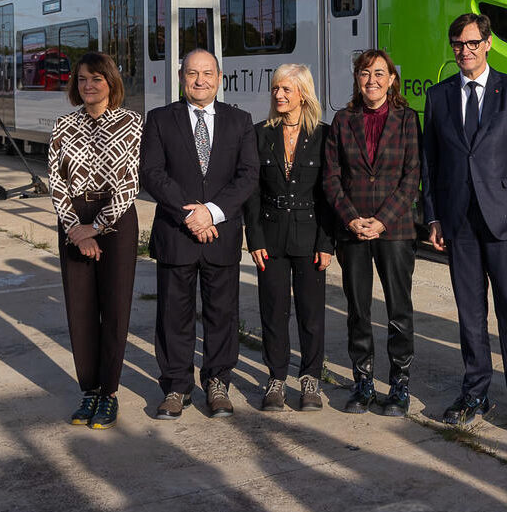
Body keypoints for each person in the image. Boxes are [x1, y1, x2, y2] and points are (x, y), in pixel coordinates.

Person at [422, 12, 507, 432]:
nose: (464, 51)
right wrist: (433, 216)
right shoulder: (438, 97)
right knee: (469, 313)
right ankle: (475, 392)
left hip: (506, 218)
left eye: (472, 43)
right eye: (457, 44)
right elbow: (429, 164)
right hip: (458, 222)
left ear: (487, 44)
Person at [140, 49, 258, 419]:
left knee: (222, 313)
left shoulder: (240, 121)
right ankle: (176, 386)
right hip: (177, 232)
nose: (200, 80)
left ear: (219, 78)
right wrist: (189, 214)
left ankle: (218, 382)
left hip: (221, 233)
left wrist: (212, 213)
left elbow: (248, 175)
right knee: (173, 314)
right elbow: (153, 172)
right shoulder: (160, 119)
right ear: (181, 78)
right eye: (192, 73)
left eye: (207, 73)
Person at [323, 48, 421, 417]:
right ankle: (362, 381)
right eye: (365, 74)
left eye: (380, 73)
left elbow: (412, 177)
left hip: (394, 230)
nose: (372, 81)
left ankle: (399, 384)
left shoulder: (407, 119)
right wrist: (350, 219)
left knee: (399, 310)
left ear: (392, 79)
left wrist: (382, 220)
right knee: (358, 310)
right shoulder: (342, 120)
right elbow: (331, 177)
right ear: (357, 79)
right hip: (353, 230)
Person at [47, 51, 142, 430]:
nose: (89, 85)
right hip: (73, 219)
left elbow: (130, 181)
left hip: (115, 222)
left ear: (111, 83)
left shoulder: (132, 123)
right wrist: (74, 228)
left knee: (115, 308)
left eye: (96, 79)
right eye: (83, 79)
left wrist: (97, 228)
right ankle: (89, 390)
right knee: (81, 308)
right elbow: (55, 180)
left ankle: (110, 393)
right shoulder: (63, 125)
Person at [246, 64, 333, 412]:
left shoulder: (324, 136)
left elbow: (329, 194)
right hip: (270, 234)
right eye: (275, 89)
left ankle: (310, 378)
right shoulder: (259, 133)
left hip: (311, 235)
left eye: (286, 89)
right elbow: (251, 192)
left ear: (303, 94)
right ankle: (276, 378)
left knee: (311, 313)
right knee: (273, 310)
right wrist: (253, 238)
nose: (279, 95)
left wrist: (327, 244)